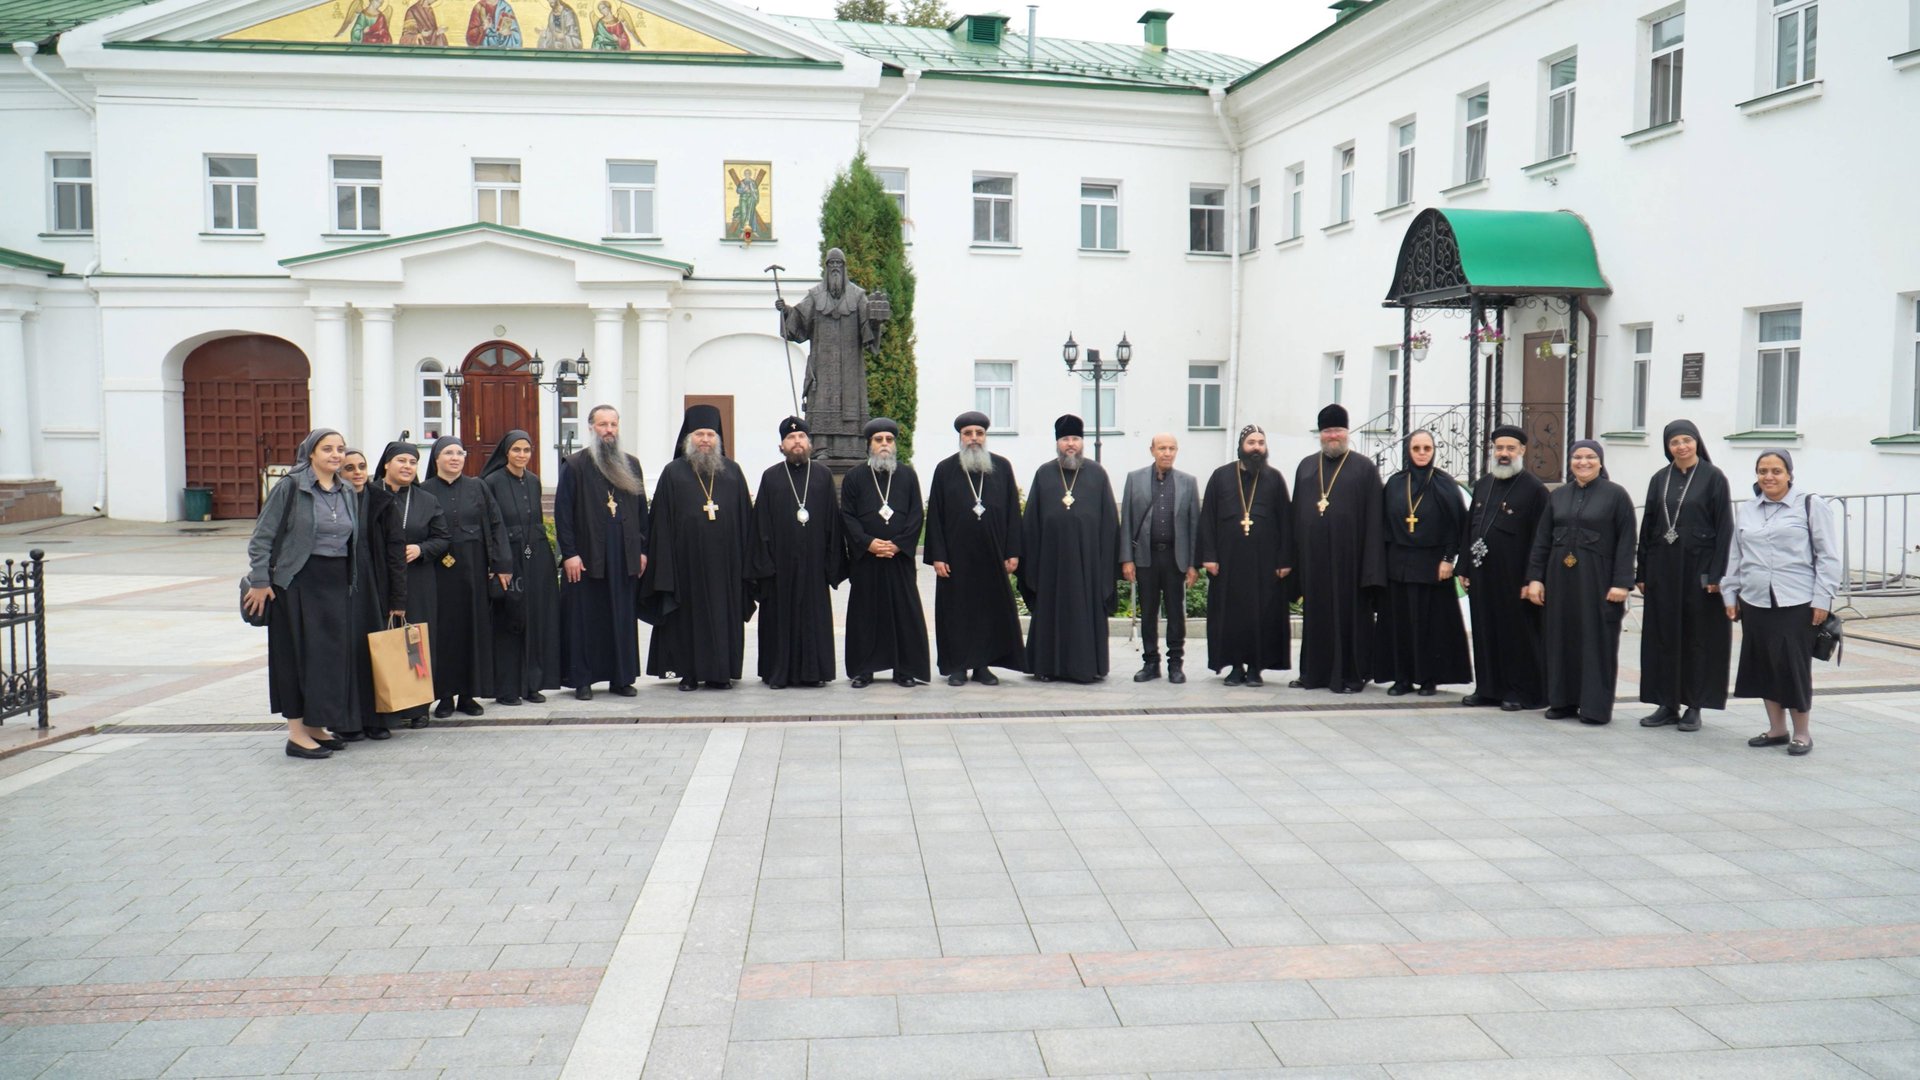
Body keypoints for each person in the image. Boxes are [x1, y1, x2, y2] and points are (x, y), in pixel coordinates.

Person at [243, 429, 361, 759]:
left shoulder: (346, 490)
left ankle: (315, 726)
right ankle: (296, 735)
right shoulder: (291, 487)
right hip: (296, 583)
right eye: (327, 449)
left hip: (334, 583)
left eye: (340, 449)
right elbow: (262, 537)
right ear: (311, 453)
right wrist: (260, 581)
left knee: (327, 659)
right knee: (295, 657)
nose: (336, 455)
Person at [1722, 450, 1841, 757]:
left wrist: (1823, 598)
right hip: (1755, 599)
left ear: (1789, 473)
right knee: (1764, 664)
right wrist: (1730, 593)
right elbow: (1736, 554)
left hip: (1797, 599)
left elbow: (1828, 556)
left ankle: (1802, 733)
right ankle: (1777, 729)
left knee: (1793, 666)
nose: (1769, 477)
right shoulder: (1748, 509)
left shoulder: (1810, 505)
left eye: (1776, 471)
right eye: (1763, 471)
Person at [639, 404, 754, 690]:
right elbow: (660, 524)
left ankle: (721, 673)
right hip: (685, 565)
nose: (705, 440)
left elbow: (746, 522)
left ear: (718, 439)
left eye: (710, 434)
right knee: (688, 618)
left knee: (723, 616)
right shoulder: (673, 473)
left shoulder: (733, 472)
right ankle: (688, 673)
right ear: (688, 438)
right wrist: (664, 564)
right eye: (699, 434)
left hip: (726, 566)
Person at [1525, 440, 1637, 725]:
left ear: (1600, 462)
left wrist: (1622, 583)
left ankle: (1594, 707)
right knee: (1560, 637)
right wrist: (1535, 578)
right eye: (1577, 457)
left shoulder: (1616, 495)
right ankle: (1561, 701)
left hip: (1598, 580)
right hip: (1560, 580)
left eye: (1590, 457)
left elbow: (1626, 540)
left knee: (1596, 641)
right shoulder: (1559, 495)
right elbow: (1542, 539)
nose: (1583, 462)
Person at [1635, 420, 1734, 733]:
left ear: (1696, 442)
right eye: (1674, 442)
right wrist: (1642, 570)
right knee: (1663, 635)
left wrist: (1718, 573)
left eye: (1686, 440)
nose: (1681, 446)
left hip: (1699, 569)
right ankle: (1666, 704)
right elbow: (1648, 525)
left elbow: (1725, 527)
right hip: (1663, 568)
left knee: (1697, 636)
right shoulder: (1659, 479)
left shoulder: (1713, 477)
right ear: (1668, 447)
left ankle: (1694, 704)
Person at [1289, 404, 1386, 693]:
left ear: (1347, 432)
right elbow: (1297, 515)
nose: (1333, 436)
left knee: (1350, 618)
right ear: (1320, 434)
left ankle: (1351, 675)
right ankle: (1313, 673)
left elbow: (1375, 520)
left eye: (1338, 430)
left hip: (1351, 562)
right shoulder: (1306, 466)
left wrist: (1371, 568)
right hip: (1314, 561)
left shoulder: (1364, 468)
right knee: (1316, 617)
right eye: (1328, 431)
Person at [554, 405, 649, 700]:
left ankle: (621, 678)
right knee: (585, 619)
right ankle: (583, 680)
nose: (608, 430)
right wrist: (569, 553)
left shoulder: (631, 464)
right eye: (602, 424)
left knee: (621, 617)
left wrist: (642, 550)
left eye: (613, 424)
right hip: (587, 555)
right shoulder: (575, 465)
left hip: (624, 554)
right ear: (591, 427)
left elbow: (641, 511)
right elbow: (563, 514)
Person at [1017, 415, 1120, 684]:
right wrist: (1031, 562)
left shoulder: (1097, 474)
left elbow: (1109, 522)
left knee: (1085, 612)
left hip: (1088, 563)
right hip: (1051, 563)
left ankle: (1086, 667)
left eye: (1075, 439)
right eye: (1065, 439)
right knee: (1051, 611)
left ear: (1082, 442)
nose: (1070, 444)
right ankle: (1046, 666)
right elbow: (1031, 522)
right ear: (1057, 443)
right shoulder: (1044, 473)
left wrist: (1106, 563)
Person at [924, 411, 1025, 686]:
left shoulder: (1001, 467)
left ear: (985, 436)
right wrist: (938, 556)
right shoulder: (945, 469)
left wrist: (1012, 551)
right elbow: (935, 515)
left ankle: (983, 666)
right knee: (956, 612)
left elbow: (1013, 512)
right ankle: (957, 666)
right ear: (960, 437)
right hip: (956, 558)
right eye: (968, 433)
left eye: (979, 433)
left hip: (992, 554)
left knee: (988, 611)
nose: (974, 438)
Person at [418, 436, 510, 717]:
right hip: (439, 572)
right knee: (445, 633)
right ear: (437, 458)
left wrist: (501, 564)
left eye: (459, 453)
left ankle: (468, 695)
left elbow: (495, 523)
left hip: (474, 569)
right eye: (448, 453)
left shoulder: (477, 486)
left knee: (474, 630)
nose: (455, 458)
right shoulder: (424, 490)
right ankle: (445, 697)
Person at [750, 416, 845, 688]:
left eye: (801, 437)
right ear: (782, 445)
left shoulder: (823, 475)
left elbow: (832, 521)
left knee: (813, 617)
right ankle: (778, 673)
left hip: (814, 564)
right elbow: (760, 524)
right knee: (779, 618)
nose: (797, 442)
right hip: (780, 566)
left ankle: (814, 673)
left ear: (809, 442)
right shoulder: (771, 477)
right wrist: (764, 565)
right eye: (791, 438)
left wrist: (832, 563)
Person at [1459, 426, 1549, 712]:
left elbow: (1541, 538)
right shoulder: (1483, 484)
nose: (1504, 454)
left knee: (1516, 636)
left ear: (1522, 450)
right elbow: (1469, 527)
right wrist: (1464, 567)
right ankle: (1487, 688)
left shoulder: (1535, 489)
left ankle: (1520, 691)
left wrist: (1533, 578)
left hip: (1515, 577)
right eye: (1499, 448)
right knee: (1484, 631)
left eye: (1510, 448)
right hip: (1482, 574)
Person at [1377, 430, 1472, 696]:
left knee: (1430, 624)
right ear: (1408, 451)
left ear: (1433, 451)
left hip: (1433, 564)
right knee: (1400, 622)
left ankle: (1429, 678)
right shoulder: (1395, 483)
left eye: (1426, 448)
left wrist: (1448, 559)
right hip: (1399, 563)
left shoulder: (1444, 484)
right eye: (1416, 448)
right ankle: (1402, 678)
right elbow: (1383, 524)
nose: (1421, 453)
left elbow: (1457, 525)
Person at [775, 247, 891, 464]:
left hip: (850, 368)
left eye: (839, 264)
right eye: (831, 264)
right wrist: (786, 311)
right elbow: (799, 320)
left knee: (851, 405)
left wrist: (875, 323)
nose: (835, 268)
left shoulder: (857, 296)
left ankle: (854, 448)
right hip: (823, 366)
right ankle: (821, 447)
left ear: (844, 268)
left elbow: (867, 328)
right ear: (826, 268)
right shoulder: (815, 296)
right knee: (822, 403)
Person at [1196, 424, 1292, 686]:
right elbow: (1208, 518)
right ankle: (1235, 667)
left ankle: (1255, 668)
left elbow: (1285, 520)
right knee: (1231, 616)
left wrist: (1285, 560)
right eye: (1251, 442)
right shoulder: (1221, 476)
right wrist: (1209, 556)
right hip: (1229, 563)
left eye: (1261, 442)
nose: (1256, 447)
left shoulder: (1274, 478)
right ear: (1241, 447)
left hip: (1265, 564)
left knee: (1261, 615)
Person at [839, 418, 931, 688]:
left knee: (903, 614)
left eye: (889, 440)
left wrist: (899, 544)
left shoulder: (907, 475)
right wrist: (868, 543)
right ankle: (864, 670)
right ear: (869, 444)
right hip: (867, 560)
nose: (884, 444)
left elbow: (916, 514)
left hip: (898, 559)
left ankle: (905, 670)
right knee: (865, 614)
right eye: (878, 440)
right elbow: (847, 516)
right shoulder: (855, 477)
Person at [371, 441, 448, 730]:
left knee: (415, 643)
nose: (407, 466)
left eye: (412, 462)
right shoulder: (370, 495)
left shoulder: (426, 499)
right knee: (380, 639)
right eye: (401, 460)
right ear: (386, 464)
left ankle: (417, 706)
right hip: (377, 579)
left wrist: (421, 549)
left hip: (418, 581)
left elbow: (442, 538)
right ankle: (381, 707)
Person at [482, 430, 561, 706]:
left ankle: (532, 684)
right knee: (509, 620)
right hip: (508, 558)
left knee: (535, 619)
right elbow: (491, 526)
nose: (522, 455)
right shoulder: (491, 482)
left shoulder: (534, 481)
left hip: (536, 556)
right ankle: (507, 688)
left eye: (526, 450)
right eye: (516, 450)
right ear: (506, 452)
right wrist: (496, 563)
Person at [1120, 434, 1201, 683]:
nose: (1167, 453)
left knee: (1176, 613)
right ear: (1152, 450)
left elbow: (1194, 525)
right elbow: (1127, 521)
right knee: (1148, 613)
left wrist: (1193, 564)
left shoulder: (1188, 482)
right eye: (1162, 448)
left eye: (1172, 448)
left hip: (1176, 558)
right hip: (1146, 557)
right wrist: (1127, 559)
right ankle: (1150, 663)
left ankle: (1175, 664)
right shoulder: (1134, 479)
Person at [343, 448, 407, 741]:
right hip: (342, 589)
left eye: (361, 466)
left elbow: (396, 552)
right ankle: (348, 722)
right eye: (349, 468)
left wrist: (398, 598)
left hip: (374, 587)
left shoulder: (382, 501)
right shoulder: (332, 501)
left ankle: (377, 720)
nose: (357, 472)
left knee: (375, 653)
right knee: (346, 655)